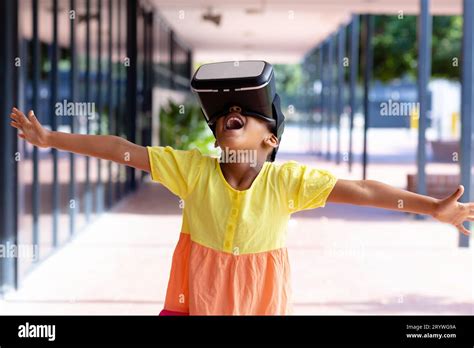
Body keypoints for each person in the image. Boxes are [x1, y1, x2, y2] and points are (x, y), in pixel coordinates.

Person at [8, 98, 472, 316]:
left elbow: (365, 190)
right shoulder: (191, 169)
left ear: (270, 140)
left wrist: (431, 207)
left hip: (260, 306)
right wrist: (51, 139)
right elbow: (120, 148)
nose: (235, 112)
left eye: (248, 112)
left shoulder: (288, 182)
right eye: (228, 112)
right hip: (193, 302)